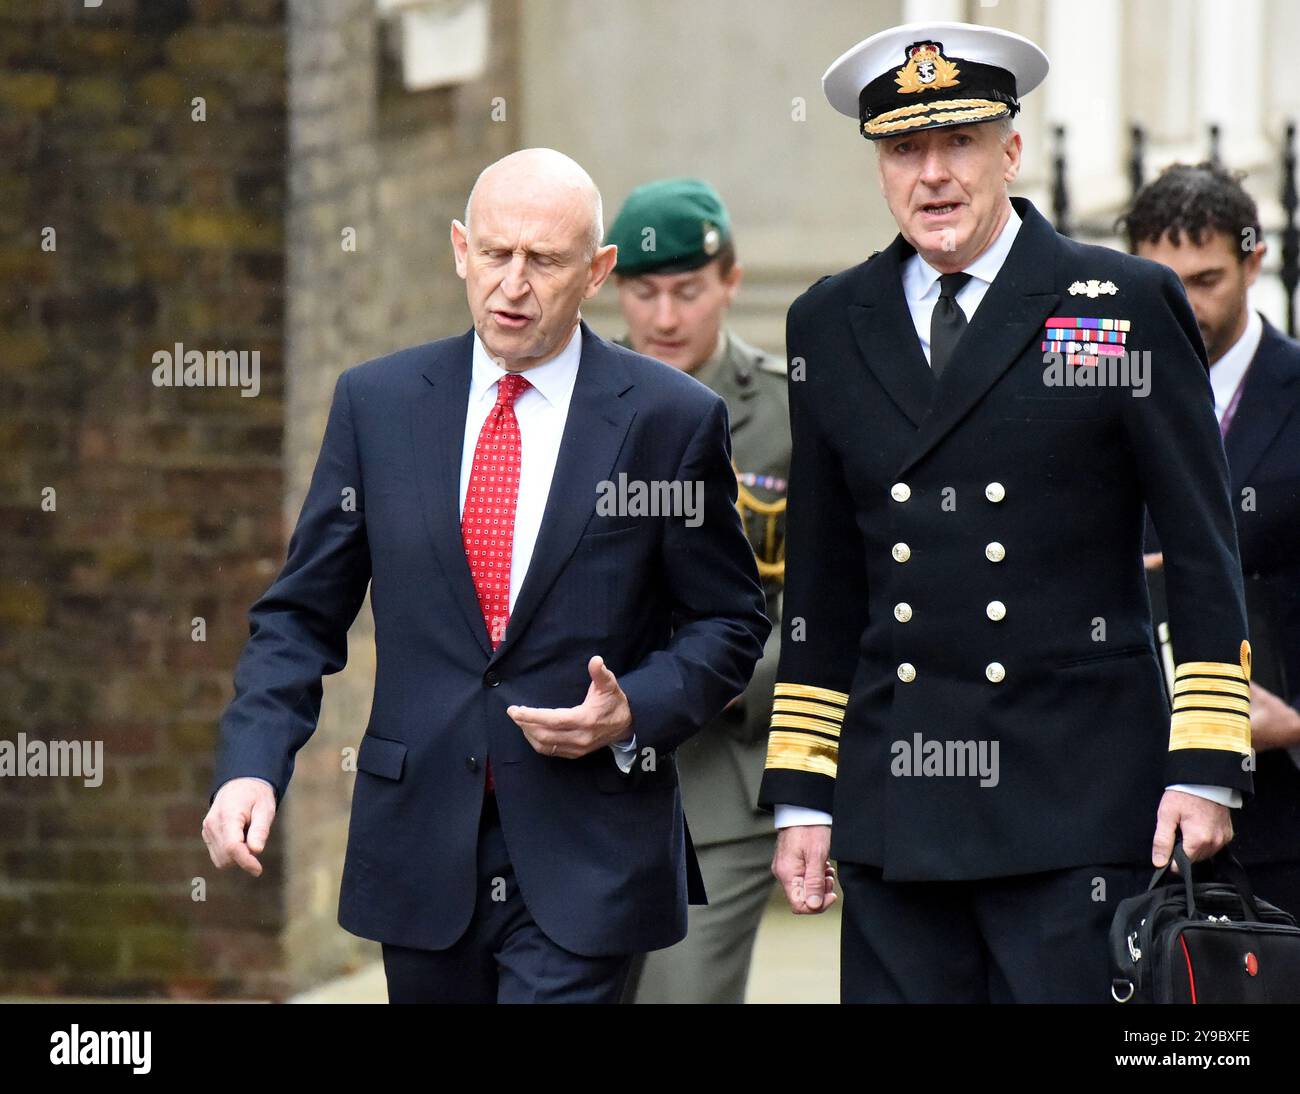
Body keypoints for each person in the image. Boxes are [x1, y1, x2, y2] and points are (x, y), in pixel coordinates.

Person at [200, 148, 770, 1003]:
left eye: (543, 261)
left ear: (596, 271)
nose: (513, 284)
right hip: (421, 845)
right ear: (460, 249)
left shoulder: (669, 420)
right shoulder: (379, 404)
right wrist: (252, 764)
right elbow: (300, 616)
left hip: (590, 852)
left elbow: (729, 622)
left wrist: (634, 711)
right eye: (496, 254)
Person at [759, 21, 1254, 1003]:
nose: (932, 175)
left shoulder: (1114, 302)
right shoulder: (828, 319)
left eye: (959, 144)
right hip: (898, 806)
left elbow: (1201, 548)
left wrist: (1204, 763)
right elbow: (821, 577)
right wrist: (804, 792)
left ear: (1010, 151)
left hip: (1073, 803)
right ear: (879, 165)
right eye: (904, 149)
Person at [605, 178, 789, 1004]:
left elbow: (834, 606)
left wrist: (699, 685)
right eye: (644, 293)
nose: (666, 317)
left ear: (731, 281)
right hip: (584, 780)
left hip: (719, 785)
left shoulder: (790, 415)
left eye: (688, 291)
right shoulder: (572, 404)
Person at [1122, 162, 1300, 916]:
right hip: (1129, 820)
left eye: (1205, 279)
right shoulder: (1093, 397)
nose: (1181, 306)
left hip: (1285, 828)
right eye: (1160, 282)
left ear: (1256, 262)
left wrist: (1294, 725)